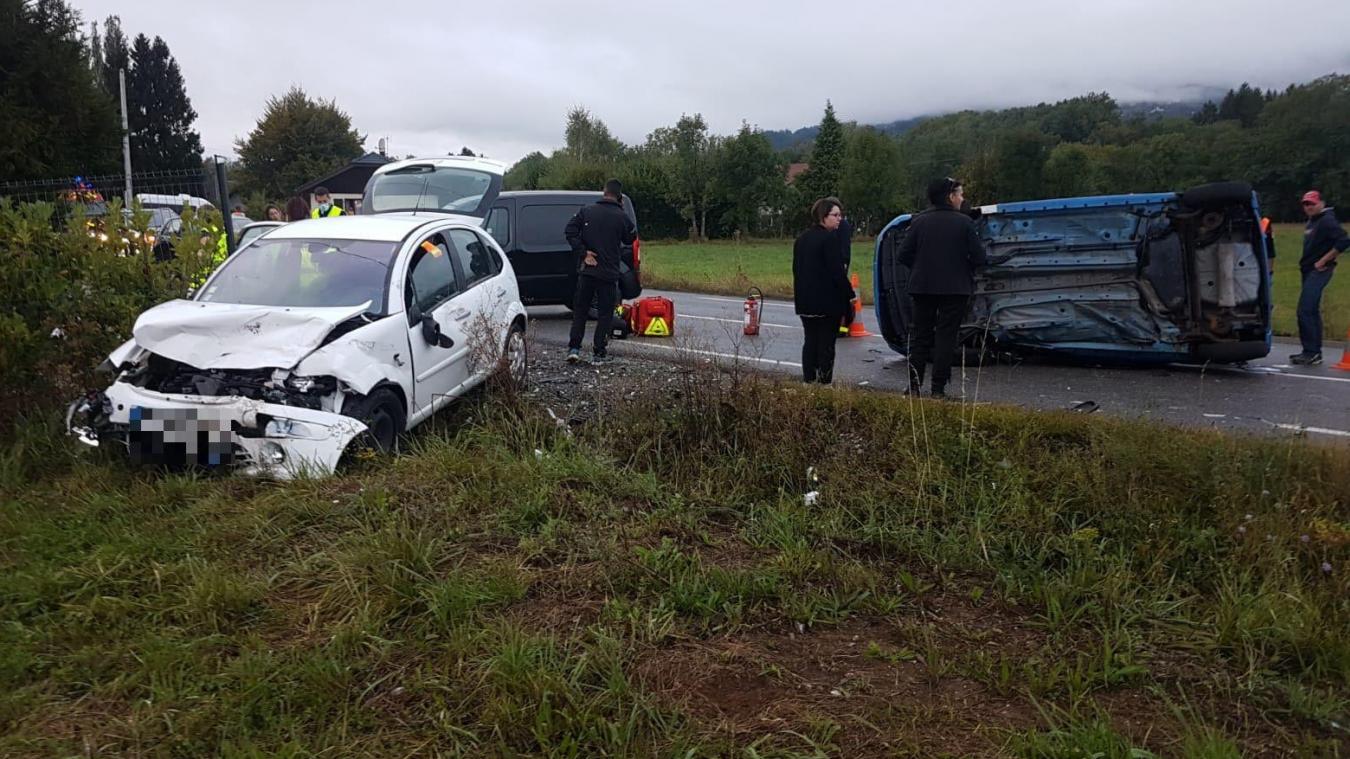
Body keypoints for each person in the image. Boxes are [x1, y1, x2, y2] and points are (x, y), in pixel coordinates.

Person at [897, 177, 987, 397]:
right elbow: (979, 257)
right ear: (950, 196)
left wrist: (920, 267)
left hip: (923, 286)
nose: (962, 198)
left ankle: (914, 387)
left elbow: (903, 254)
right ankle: (938, 389)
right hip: (955, 288)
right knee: (946, 338)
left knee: (920, 337)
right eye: (960, 194)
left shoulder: (919, 222)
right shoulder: (964, 223)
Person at [563, 179, 636, 364]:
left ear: (604, 192)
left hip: (588, 270)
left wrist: (583, 253)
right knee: (604, 314)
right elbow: (629, 239)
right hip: (609, 273)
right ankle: (598, 353)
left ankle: (574, 349)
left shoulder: (586, 211)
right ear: (619, 196)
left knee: (580, 311)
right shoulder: (621, 216)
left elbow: (569, 231)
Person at [792, 197, 853, 384]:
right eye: (835, 215)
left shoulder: (801, 239)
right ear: (823, 217)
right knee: (826, 343)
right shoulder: (829, 239)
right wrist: (849, 295)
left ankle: (808, 379)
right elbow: (837, 272)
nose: (839, 219)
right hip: (827, 302)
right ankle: (824, 381)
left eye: (840, 215)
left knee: (810, 340)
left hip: (805, 300)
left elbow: (796, 269)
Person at [1291, 190, 1349, 365]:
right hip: (1308, 270)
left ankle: (1311, 352)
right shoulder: (1313, 221)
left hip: (1319, 270)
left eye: (1312, 203)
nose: (1308, 207)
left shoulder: (1327, 220)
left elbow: (1344, 241)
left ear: (1321, 203)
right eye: (1306, 204)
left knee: (1305, 310)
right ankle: (1313, 352)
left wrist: (1323, 260)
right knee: (1312, 311)